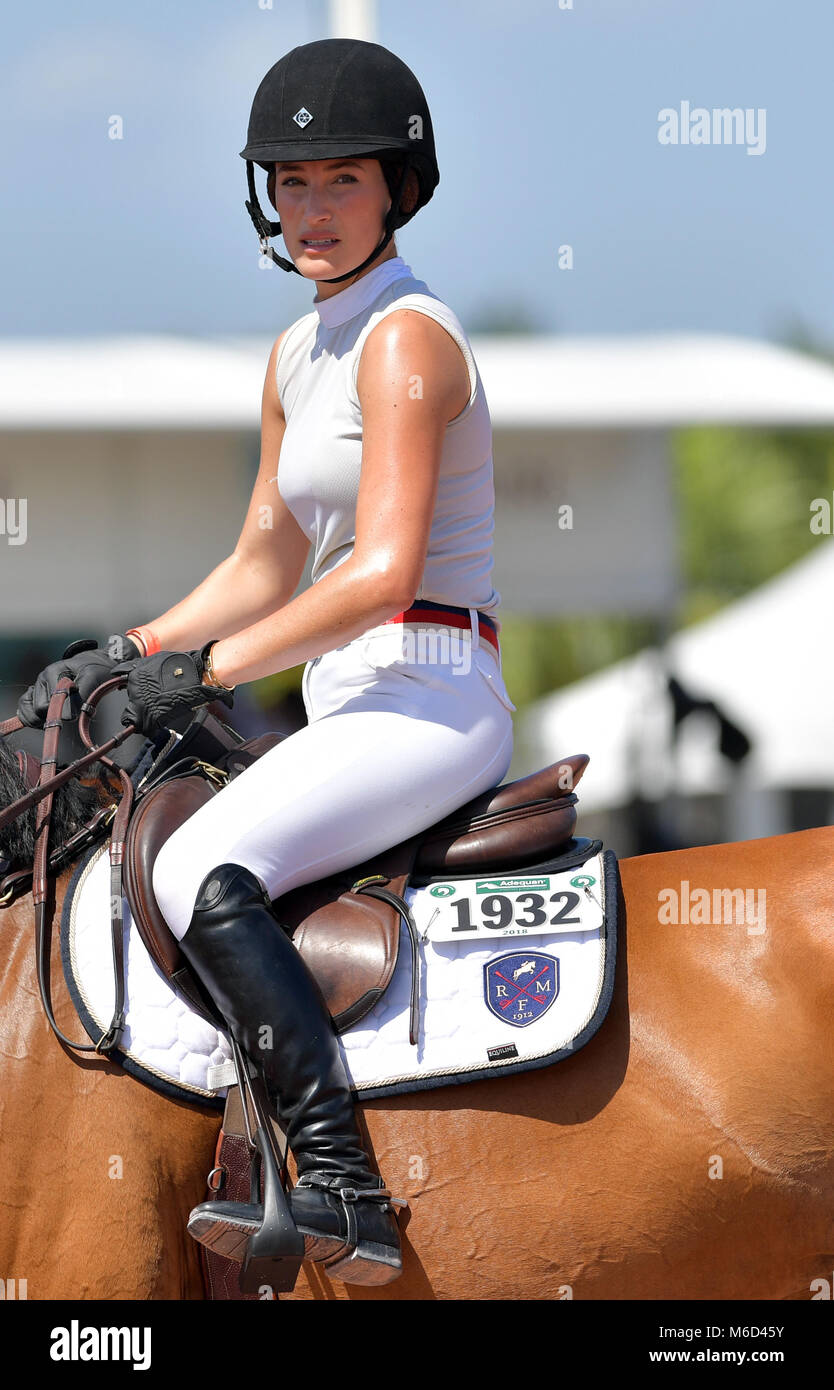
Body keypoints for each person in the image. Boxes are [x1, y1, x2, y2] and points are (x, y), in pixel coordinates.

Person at [19, 37, 516, 1286]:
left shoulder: (408, 340)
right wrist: (131, 650)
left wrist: (213, 671)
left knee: (200, 863)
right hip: (349, 700)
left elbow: (382, 571)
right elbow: (261, 558)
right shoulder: (300, 355)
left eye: (341, 181)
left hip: (432, 693)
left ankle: (341, 1180)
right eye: (290, 185)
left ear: (397, 187)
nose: (313, 210)